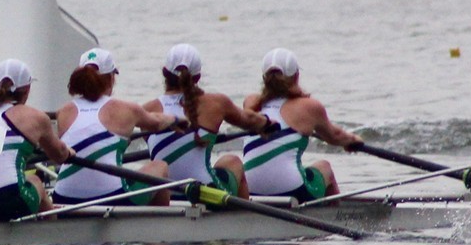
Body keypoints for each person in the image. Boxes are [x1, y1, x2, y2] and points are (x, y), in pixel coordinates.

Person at [52, 48, 184, 206]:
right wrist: (176, 119)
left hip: (62, 198)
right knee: (159, 166)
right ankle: (158, 225)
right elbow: (156, 123)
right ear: (110, 79)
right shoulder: (126, 109)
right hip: (111, 197)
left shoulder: (63, 112)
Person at [143, 44, 268, 198]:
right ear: (198, 77)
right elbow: (248, 120)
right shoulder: (217, 103)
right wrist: (266, 123)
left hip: (165, 194)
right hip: (205, 194)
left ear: (164, 73)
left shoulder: (147, 110)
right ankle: (244, 219)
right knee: (232, 162)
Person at [0, 58, 70, 221]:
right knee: (35, 180)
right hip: (9, 201)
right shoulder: (36, 117)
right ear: (27, 89)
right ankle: (53, 233)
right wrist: (69, 152)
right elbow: (59, 155)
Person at [241, 49, 363, 200]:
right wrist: (353, 140)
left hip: (250, 189)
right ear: (296, 76)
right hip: (292, 189)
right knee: (325, 168)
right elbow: (335, 136)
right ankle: (336, 217)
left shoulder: (251, 102)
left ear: (264, 78)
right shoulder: (309, 107)